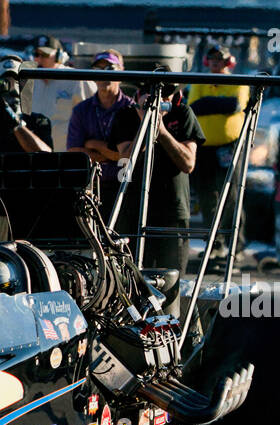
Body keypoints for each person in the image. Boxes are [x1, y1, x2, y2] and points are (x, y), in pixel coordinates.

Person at [109, 75, 206, 282]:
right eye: (155, 94)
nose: (163, 99)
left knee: (171, 279)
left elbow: (188, 163)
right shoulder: (125, 116)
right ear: (139, 95)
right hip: (133, 209)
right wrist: (146, 125)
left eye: (168, 93)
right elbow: (125, 159)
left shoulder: (183, 113)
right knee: (131, 278)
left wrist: (161, 131)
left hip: (172, 210)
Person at [188, 44, 249, 255]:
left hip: (228, 146)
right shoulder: (201, 81)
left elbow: (234, 105)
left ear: (227, 62)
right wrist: (217, 104)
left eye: (219, 59)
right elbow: (194, 106)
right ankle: (214, 242)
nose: (215, 63)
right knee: (206, 196)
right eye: (212, 59)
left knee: (231, 195)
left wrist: (208, 103)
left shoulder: (238, 82)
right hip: (204, 148)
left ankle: (236, 244)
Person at [67, 50, 135, 221]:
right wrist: (111, 155)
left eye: (110, 68)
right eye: (98, 68)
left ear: (121, 73)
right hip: (91, 187)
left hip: (125, 187)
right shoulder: (81, 110)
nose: (104, 74)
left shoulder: (133, 110)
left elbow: (125, 156)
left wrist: (93, 144)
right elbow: (75, 152)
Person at [22, 36, 95, 151]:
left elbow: (93, 118)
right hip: (37, 156)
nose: (39, 60)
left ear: (59, 56)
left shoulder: (77, 80)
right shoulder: (28, 83)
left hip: (69, 155)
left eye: (45, 55)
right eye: (36, 54)